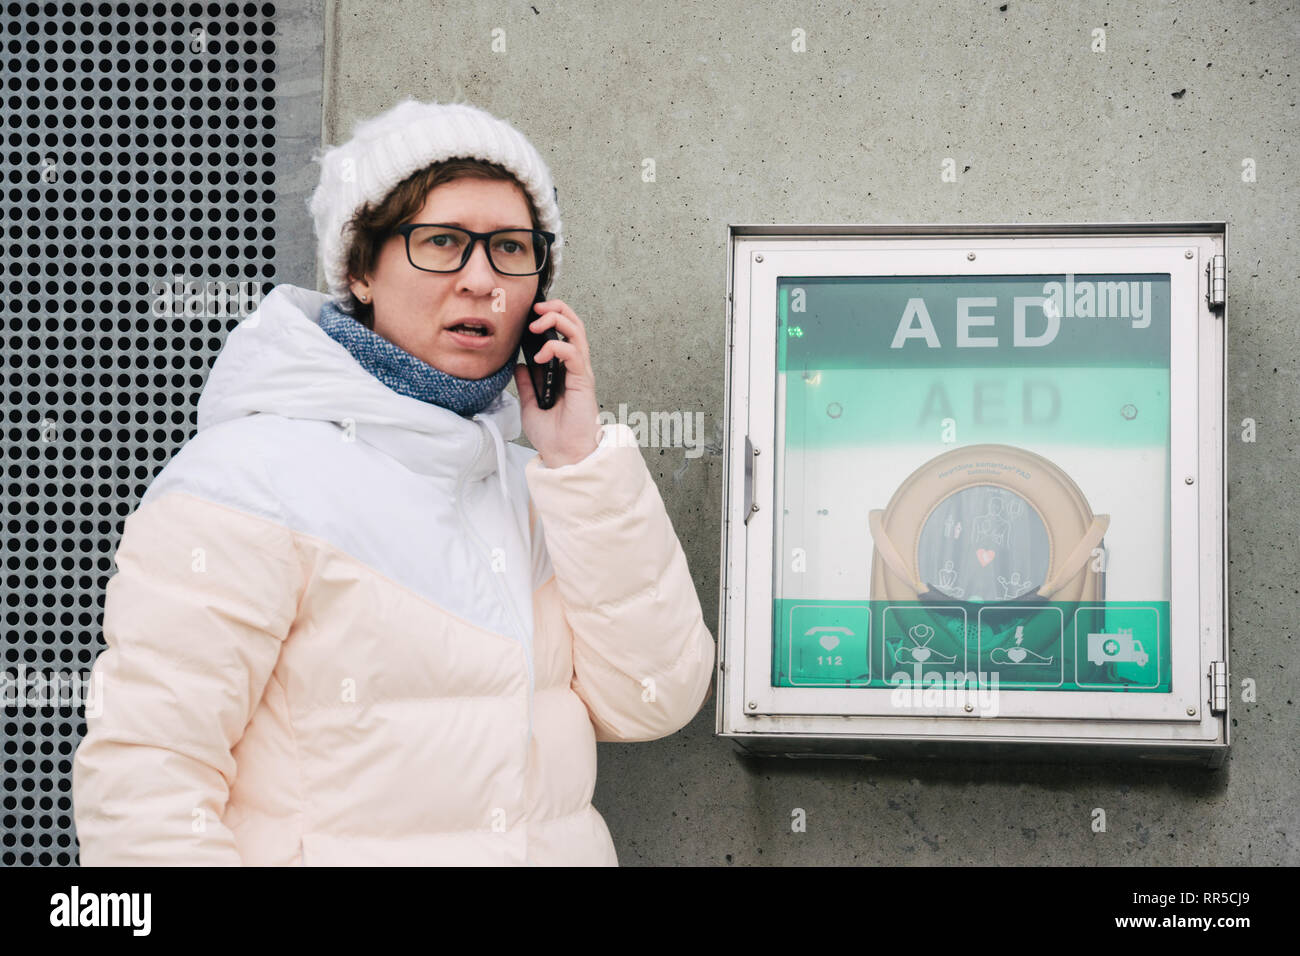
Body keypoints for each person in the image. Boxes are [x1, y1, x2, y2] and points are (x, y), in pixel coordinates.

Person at [70, 98, 716, 866]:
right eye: (442, 241)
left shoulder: (541, 487)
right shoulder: (249, 482)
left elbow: (653, 700)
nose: (482, 280)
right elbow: (145, 788)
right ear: (359, 269)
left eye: (512, 249)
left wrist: (578, 459)